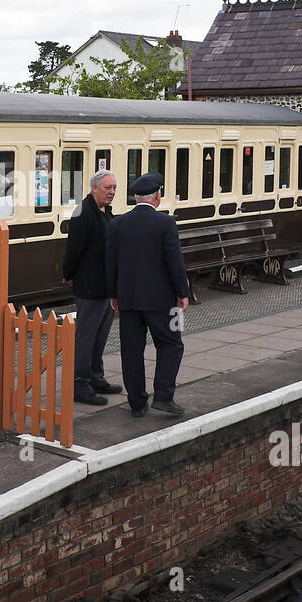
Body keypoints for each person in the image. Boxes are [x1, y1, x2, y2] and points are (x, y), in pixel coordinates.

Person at [106, 172, 189, 418]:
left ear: (135, 198)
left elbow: (111, 263)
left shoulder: (117, 224)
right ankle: (163, 397)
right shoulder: (165, 224)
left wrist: (114, 294)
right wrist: (182, 294)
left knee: (131, 351)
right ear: (158, 197)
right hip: (161, 302)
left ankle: (137, 403)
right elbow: (174, 262)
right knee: (171, 344)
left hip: (128, 300)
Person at [60, 170, 122, 405]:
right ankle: (80, 384)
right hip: (89, 287)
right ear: (94, 187)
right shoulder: (83, 213)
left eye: (114, 188)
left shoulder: (106, 212)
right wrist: (68, 274)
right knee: (86, 338)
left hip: (106, 287)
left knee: (100, 337)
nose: (112, 192)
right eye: (108, 188)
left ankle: (96, 378)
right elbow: (73, 249)